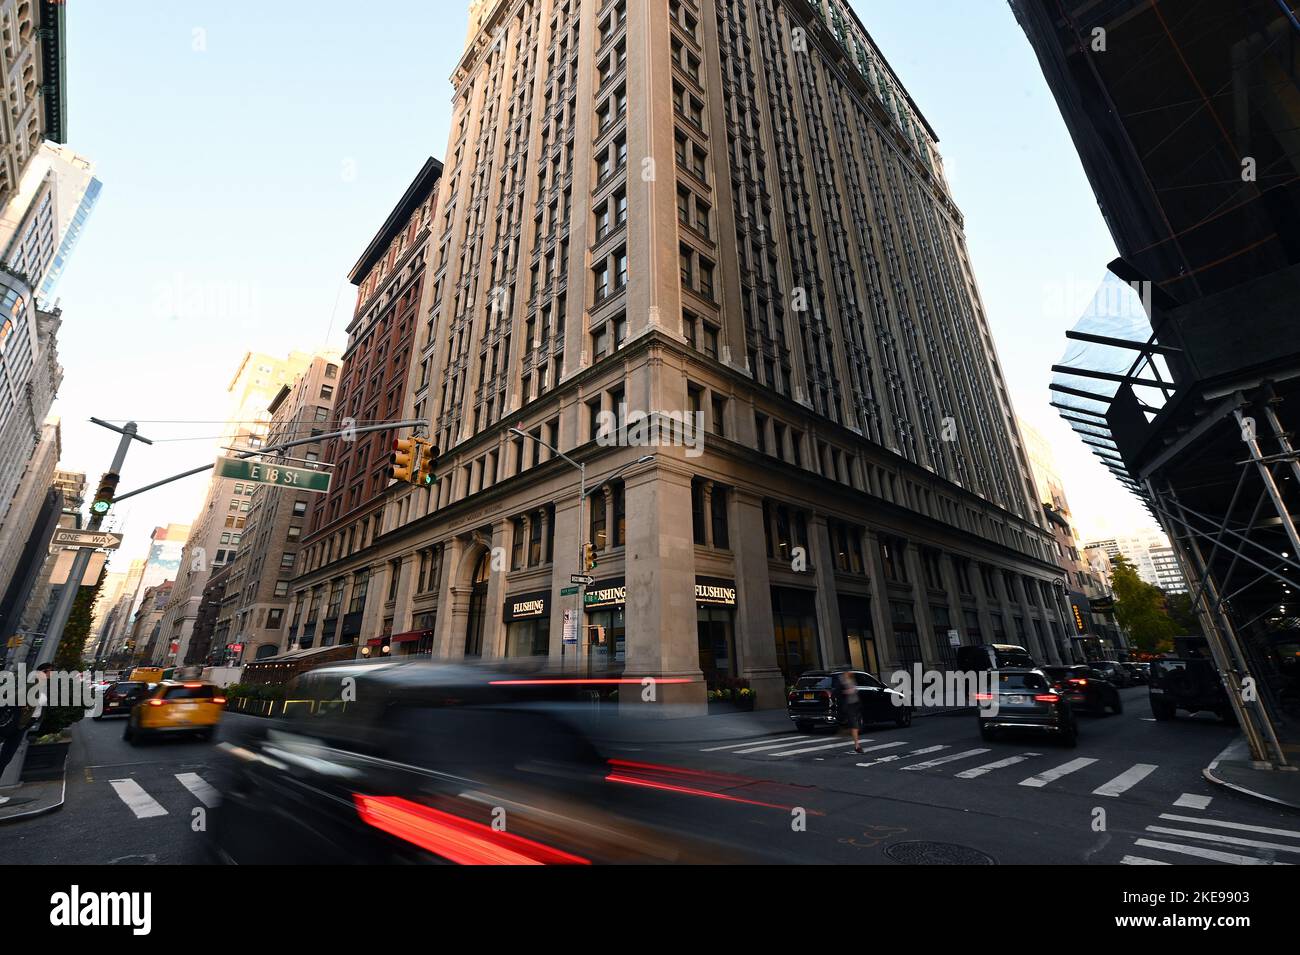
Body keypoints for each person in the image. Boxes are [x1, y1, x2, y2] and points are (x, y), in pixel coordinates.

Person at [0, 663, 50, 805]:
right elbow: (13, 698)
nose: (51, 676)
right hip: (15, 726)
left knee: (5, 758)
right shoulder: (31, 684)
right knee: (4, 759)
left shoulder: (39, 686)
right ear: (43, 672)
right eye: (50, 672)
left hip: (21, 726)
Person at [838, 670, 864, 754]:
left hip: (855, 706)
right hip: (849, 707)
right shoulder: (841, 682)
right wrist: (847, 691)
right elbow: (837, 693)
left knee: (855, 726)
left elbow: (856, 692)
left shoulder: (852, 680)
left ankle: (844, 732)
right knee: (855, 726)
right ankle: (857, 746)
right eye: (846, 672)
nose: (848, 673)